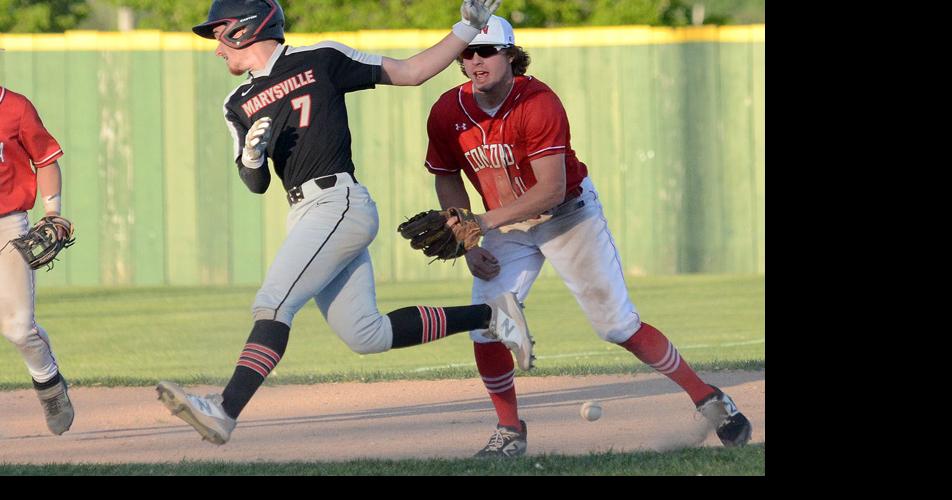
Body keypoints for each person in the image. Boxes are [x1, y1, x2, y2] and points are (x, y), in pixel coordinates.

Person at [155, 0, 534, 446]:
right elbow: (256, 183)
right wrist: (252, 158)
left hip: (338, 201)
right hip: (304, 212)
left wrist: (465, 30)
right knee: (365, 333)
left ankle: (225, 409)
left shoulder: (321, 58)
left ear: (245, 28)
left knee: (273, 305)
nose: (217, 48)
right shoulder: (236, 103)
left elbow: (411, 72)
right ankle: (492, 315)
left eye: (219, 34)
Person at [421, 15, 753, 457]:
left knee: (617, 326)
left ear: (511, 55)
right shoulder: (447, 111)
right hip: (504, 226)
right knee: (485, 326)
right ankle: (509, 431)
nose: (476, 60)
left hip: (566, 216)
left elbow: (551, 189)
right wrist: (469, 244)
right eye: (467, 52)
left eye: (487, 51)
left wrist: (482, 223)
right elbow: (446, 175)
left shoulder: (538, 102)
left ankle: (710, 399)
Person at [0, 82, 75, 435]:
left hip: (8, 226)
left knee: (18, 329)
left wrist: (52, 211)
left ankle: (48, 382)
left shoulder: (15, 108)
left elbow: (45, 159)